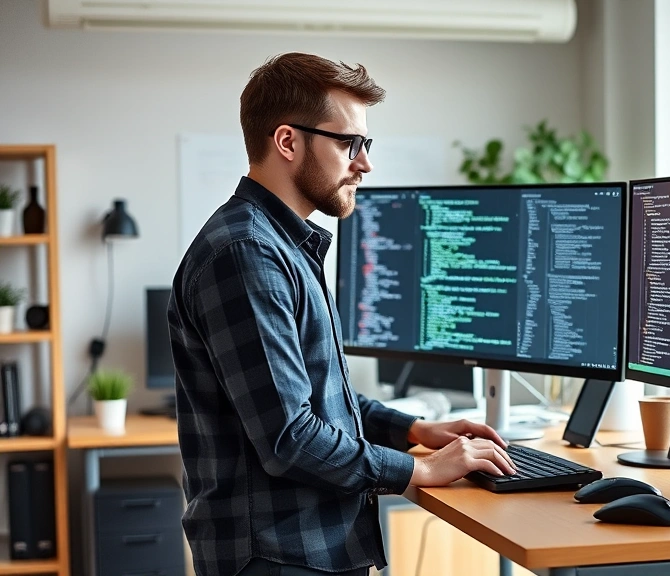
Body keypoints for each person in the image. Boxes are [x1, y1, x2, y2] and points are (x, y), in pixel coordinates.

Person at [167, 52, 517, 576]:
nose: (364, 162)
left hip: (303, 551)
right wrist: (420, 470)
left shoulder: (282, 245)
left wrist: (418, 430)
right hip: (279, 557)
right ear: (287, 141)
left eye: (366, 144)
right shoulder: (246, 254)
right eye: (349, 142)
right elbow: (290, 438)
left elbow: (316, 396)